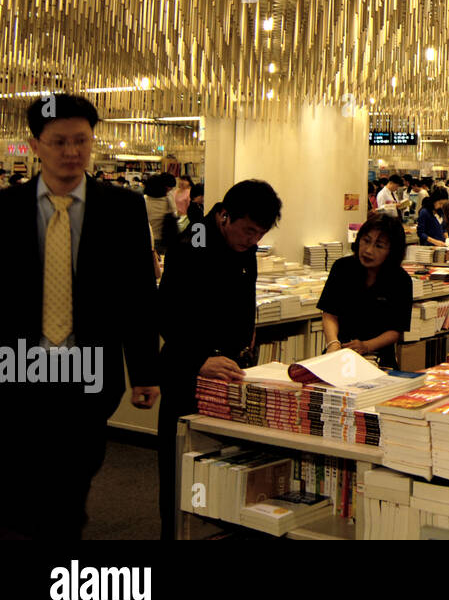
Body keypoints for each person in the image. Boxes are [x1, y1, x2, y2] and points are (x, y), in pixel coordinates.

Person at [0, 94, 160, 539]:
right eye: (58, 142)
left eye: (81, 141)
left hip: (87, 371)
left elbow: (137, 295)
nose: (71, 152)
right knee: (17, 486)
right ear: (35, 145)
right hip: (17, 369)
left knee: (72, 488)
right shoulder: (6, 209)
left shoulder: (123, 210)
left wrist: (144, 372)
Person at [155, 179, 281, 537]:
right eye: (249, 231)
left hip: (231, 371)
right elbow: (166, 315)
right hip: (188, 371)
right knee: (183, 470)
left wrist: (247, 339)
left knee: (228, 468)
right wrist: (199, 360)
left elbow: (244, 297)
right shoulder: (192, 241)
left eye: (260, 233)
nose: (253, 240)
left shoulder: (246, 245)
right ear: (224, 216)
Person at [318, 212, 412, 370]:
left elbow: (395, 330)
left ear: (392, 251)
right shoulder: (342, 268)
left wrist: (366, 346)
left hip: (379, 360)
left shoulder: (400, 280)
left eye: (379, 246)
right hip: (339, 355)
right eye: (366, 241)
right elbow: (329, 313)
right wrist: (333, 344)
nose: (368, 250)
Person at [144, 172, 179, 254]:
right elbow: (175, 214)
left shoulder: (143, 200)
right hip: (162, 239)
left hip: (147, 238)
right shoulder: (167, 200)